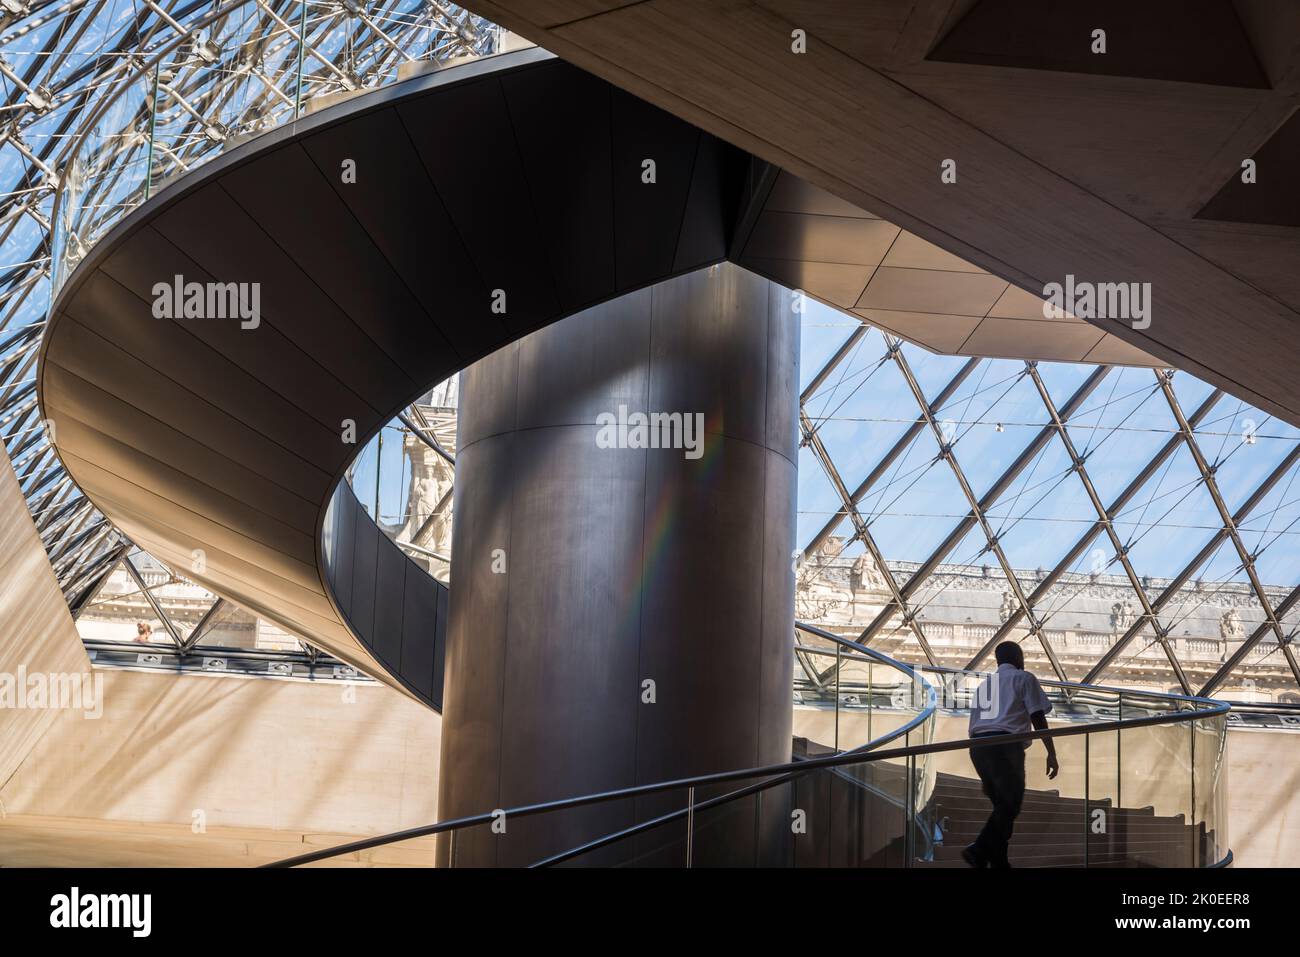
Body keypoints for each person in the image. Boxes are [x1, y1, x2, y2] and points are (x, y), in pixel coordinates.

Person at [962, 640, 1058, 868]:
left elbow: (975, 723)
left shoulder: (984, 685)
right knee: (1011, 805)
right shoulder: (1024, 678)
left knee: (1002, 808)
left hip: (978, 748)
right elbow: (1038, 717)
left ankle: (999, 862)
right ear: (1018, 658)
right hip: (1005, 745)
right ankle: (978, 849)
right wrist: (1051, 752)